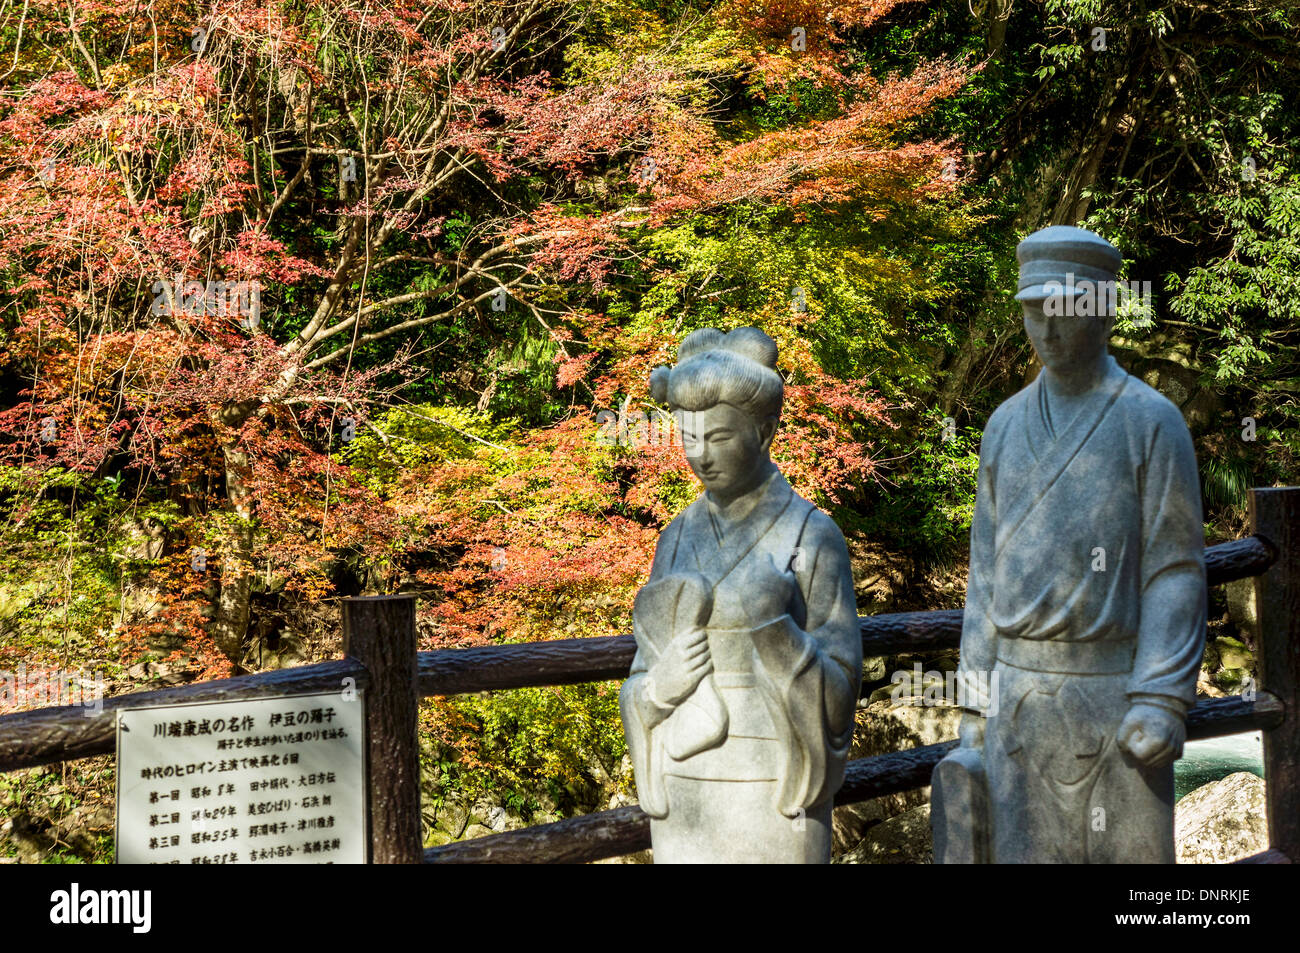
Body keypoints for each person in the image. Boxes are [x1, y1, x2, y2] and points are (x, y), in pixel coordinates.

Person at [933, 226, 1207, 863]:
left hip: (1114, 690)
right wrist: (975, 702)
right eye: (1035, 313)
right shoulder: (1004, 425)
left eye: (1064, 313)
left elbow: (1175, 569)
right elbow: (984, 574)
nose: (1048, 332)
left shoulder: (1151, 421)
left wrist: (1161, 695)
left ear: (1104, 310)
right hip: (1019, 695)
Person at [619, 326, 862, 863]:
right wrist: (659, 689)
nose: (701, 455)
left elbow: (843, 689)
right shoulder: (676, 537)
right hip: (686, 780)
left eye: (720, 437)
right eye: (689, 438)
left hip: (775, 780)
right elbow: (642, 672)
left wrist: (777, 636)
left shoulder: (810, 535)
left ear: (765, 429)